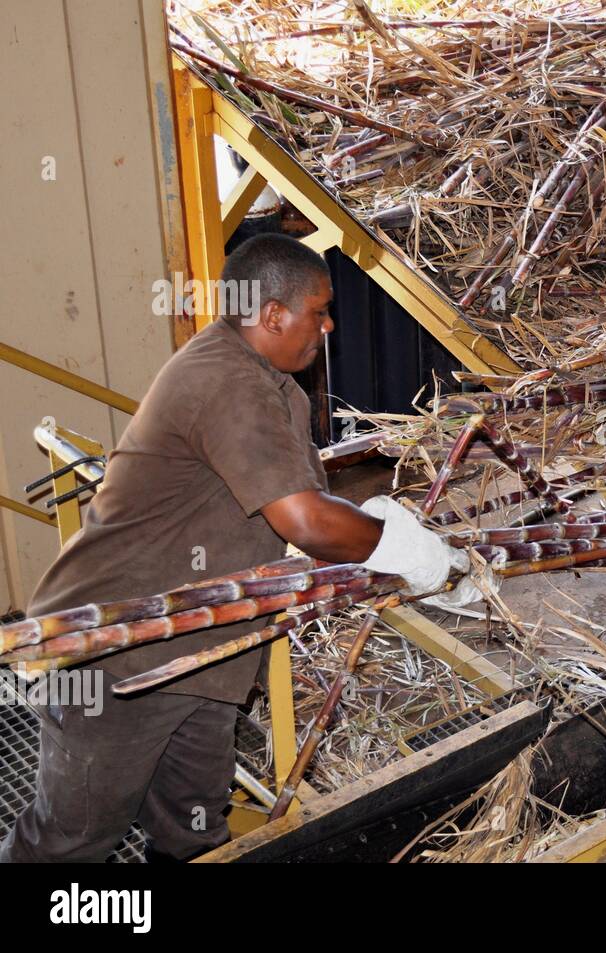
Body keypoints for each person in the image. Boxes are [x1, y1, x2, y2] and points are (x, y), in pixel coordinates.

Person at [1, 234, 471, 863]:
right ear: (272, 313)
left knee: (193, 827)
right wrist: (409, 552)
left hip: (203, 649)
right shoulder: (224, 380)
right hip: (119, 654)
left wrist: (358, 529)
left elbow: (296, 507)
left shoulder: (276, 384)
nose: (329, 325)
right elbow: (304, 518)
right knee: (73, 841)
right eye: (319, 310)